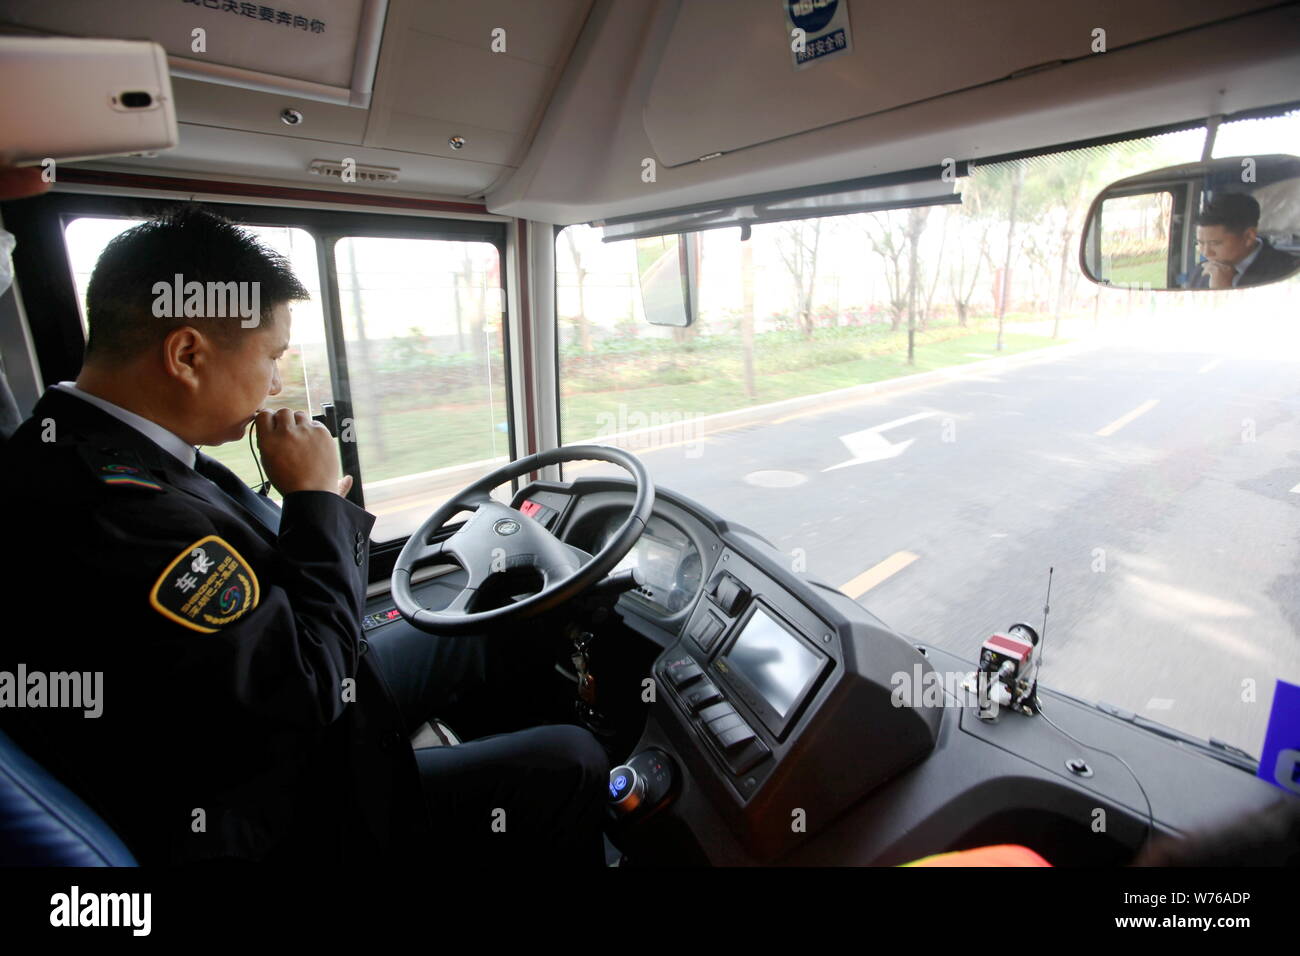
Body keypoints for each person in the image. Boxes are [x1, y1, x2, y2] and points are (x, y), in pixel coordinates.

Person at [0, 203, 609, 866]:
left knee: (492, 625)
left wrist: (315, 510)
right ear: (186, 354)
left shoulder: (113, 453)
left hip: (265, 712)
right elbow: (307, 687)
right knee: (572, 759)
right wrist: (316, 501)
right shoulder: (108, 506)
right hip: (292, 811)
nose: (277, 381)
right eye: (272, 355)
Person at [1190, 192, 1300, 289]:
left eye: (1215, 243)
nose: (1206, 253)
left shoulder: (1289, 271)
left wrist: (1225, 291)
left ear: (1248, 237)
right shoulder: (1202, 271)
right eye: (1200, 243)